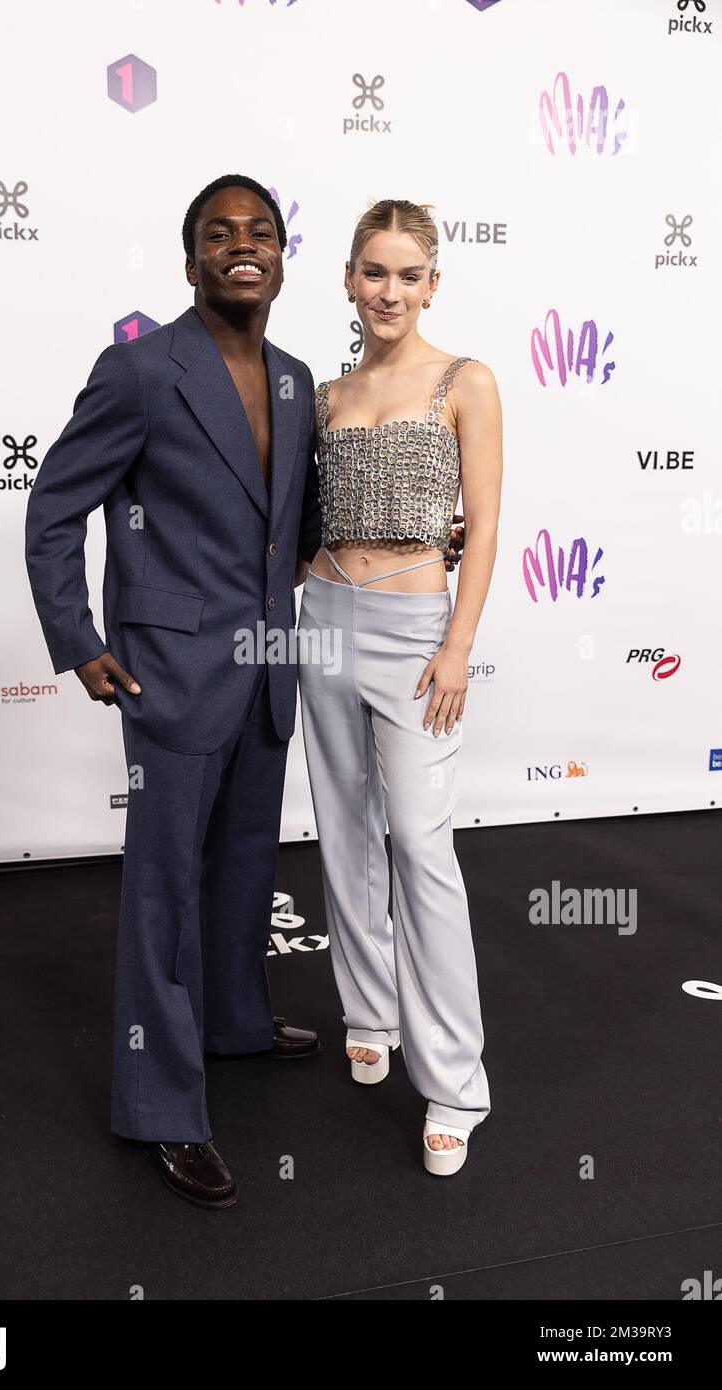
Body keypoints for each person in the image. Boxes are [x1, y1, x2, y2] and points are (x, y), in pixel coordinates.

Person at [24, 175, 324, 1211]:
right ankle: (160, 1106)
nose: (244, 247)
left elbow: (296, 529)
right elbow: (56, 505)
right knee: (163, 891)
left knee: (244, 863)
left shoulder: (297, 380)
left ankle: (235, 1022)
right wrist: (78, 639)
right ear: (190, 258)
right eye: (219, 234)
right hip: (169, 668)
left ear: (284, 257)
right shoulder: (142, 370)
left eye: (263, 233)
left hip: (265, 666)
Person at [296, 198, 503, 1175]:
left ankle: (456, 1084)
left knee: (421, 843)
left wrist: (458, 644)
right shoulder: (327, 394)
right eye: (373, 272)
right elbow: (302, 531)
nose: (389, 290)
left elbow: (486, 527)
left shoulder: (467, 380)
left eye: (407, 274)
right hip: (326, 623)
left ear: (432, 283)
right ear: (348, 279)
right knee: (344, 826)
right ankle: (367, 1010)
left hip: (418, 632)